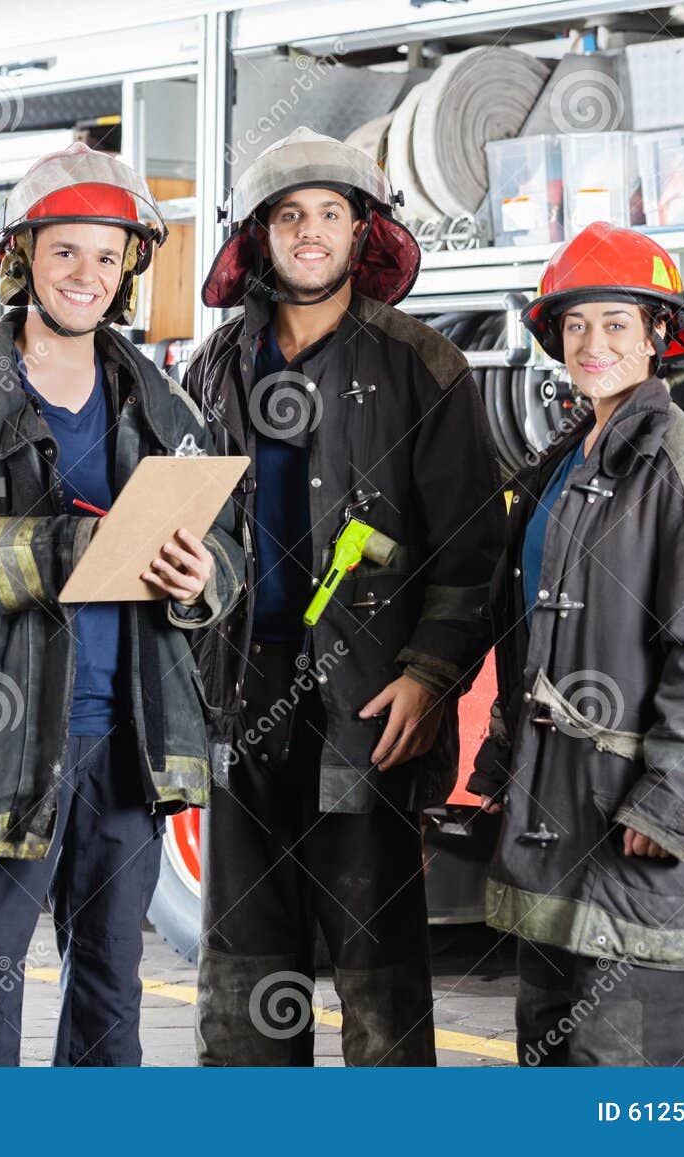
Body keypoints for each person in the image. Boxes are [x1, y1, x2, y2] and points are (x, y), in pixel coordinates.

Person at [0, 144, 243, 1066]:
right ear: (22, 258)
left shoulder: (169, 410)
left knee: (114, 986)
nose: (87, 274)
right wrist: (68, 550)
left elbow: (232, 548)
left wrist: (207, 580)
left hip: (130, 746)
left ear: (127, 275)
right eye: (66, 251)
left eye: (108, 257)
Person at [187, 127, 505, 1066]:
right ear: (260, 236)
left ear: (362, 231)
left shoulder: (421, 367)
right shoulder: (212, 369)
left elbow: (472, 549)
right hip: (240, 702)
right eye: (291, 215)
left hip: (367, 706)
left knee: (379, 977)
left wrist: (428, 676)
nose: (311, 232)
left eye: (331, 213)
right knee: (244, 972)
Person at [467, 221, 684, 1066]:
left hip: (638, 824)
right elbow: (533, 640)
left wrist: (675, 795)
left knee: (634, 1067)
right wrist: (505, 765)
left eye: (616, 323)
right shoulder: (564, 463)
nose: (593, 342)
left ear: (657, 336)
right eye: (576, 324)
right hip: (561, 816)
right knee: (553, 1049)